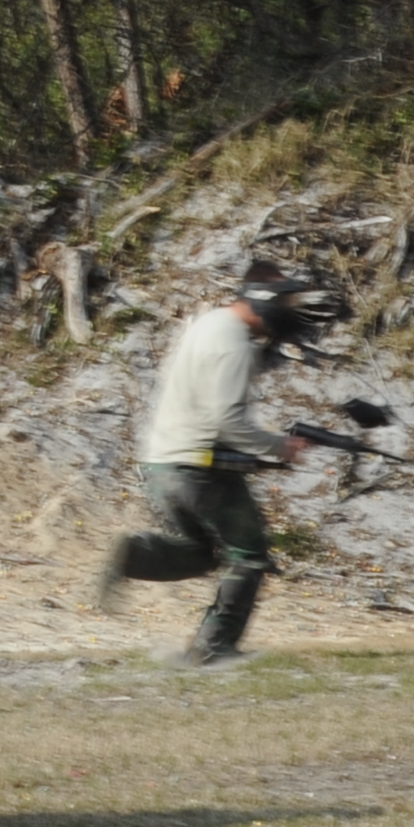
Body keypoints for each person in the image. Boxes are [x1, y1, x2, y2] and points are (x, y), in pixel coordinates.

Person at [93, 265, 340, 669]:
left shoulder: (209, 324)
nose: (289, 313)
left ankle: (135, 555)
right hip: (200, 467)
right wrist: (280, 447)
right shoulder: (234, 344)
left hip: (161, 463)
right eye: (284, 303)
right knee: (249, 555)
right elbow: (227, 419)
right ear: (264, 302)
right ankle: (213, 648)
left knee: (202, 553)